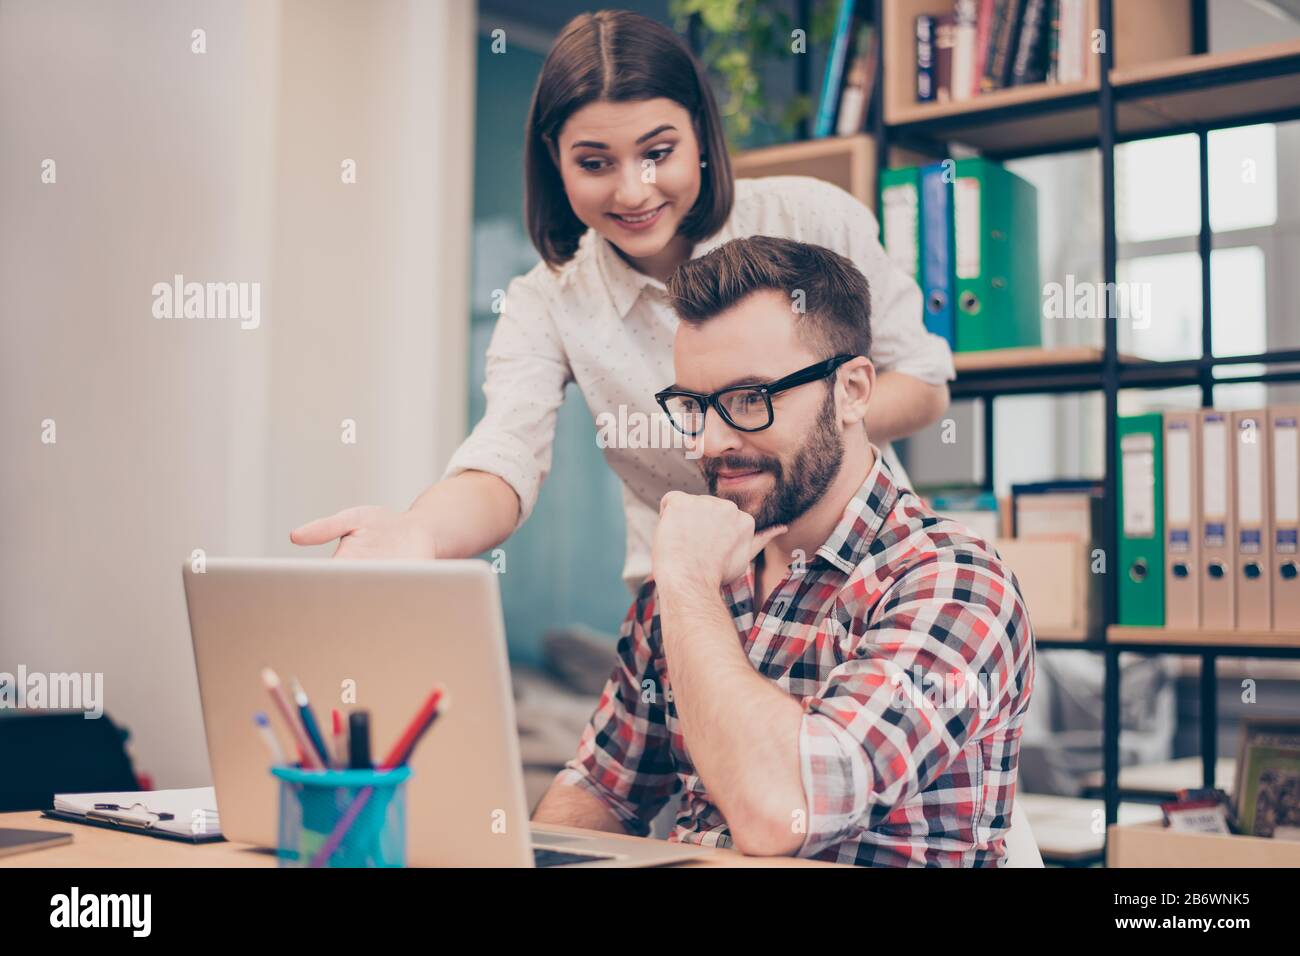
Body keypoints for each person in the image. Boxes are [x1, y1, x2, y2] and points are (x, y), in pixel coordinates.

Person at [290, 10, 953, 594]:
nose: (633, 192)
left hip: (847, 565)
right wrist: (420, 534)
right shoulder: (549, 300)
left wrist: (774, 440)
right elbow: (503, 459)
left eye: (657, 152)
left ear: (700, 133)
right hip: (688, 597)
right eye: (595, 162)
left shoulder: (810, 214)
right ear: (555, 159)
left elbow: (922, 385)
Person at [532, 237, 1035, 866]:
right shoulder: (692, 581)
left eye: (750, 399)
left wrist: (687, 583)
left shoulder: (952, 584)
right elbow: (603, 787)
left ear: (852, 390)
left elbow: (782, 813)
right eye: (695, 405)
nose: (710, 443)